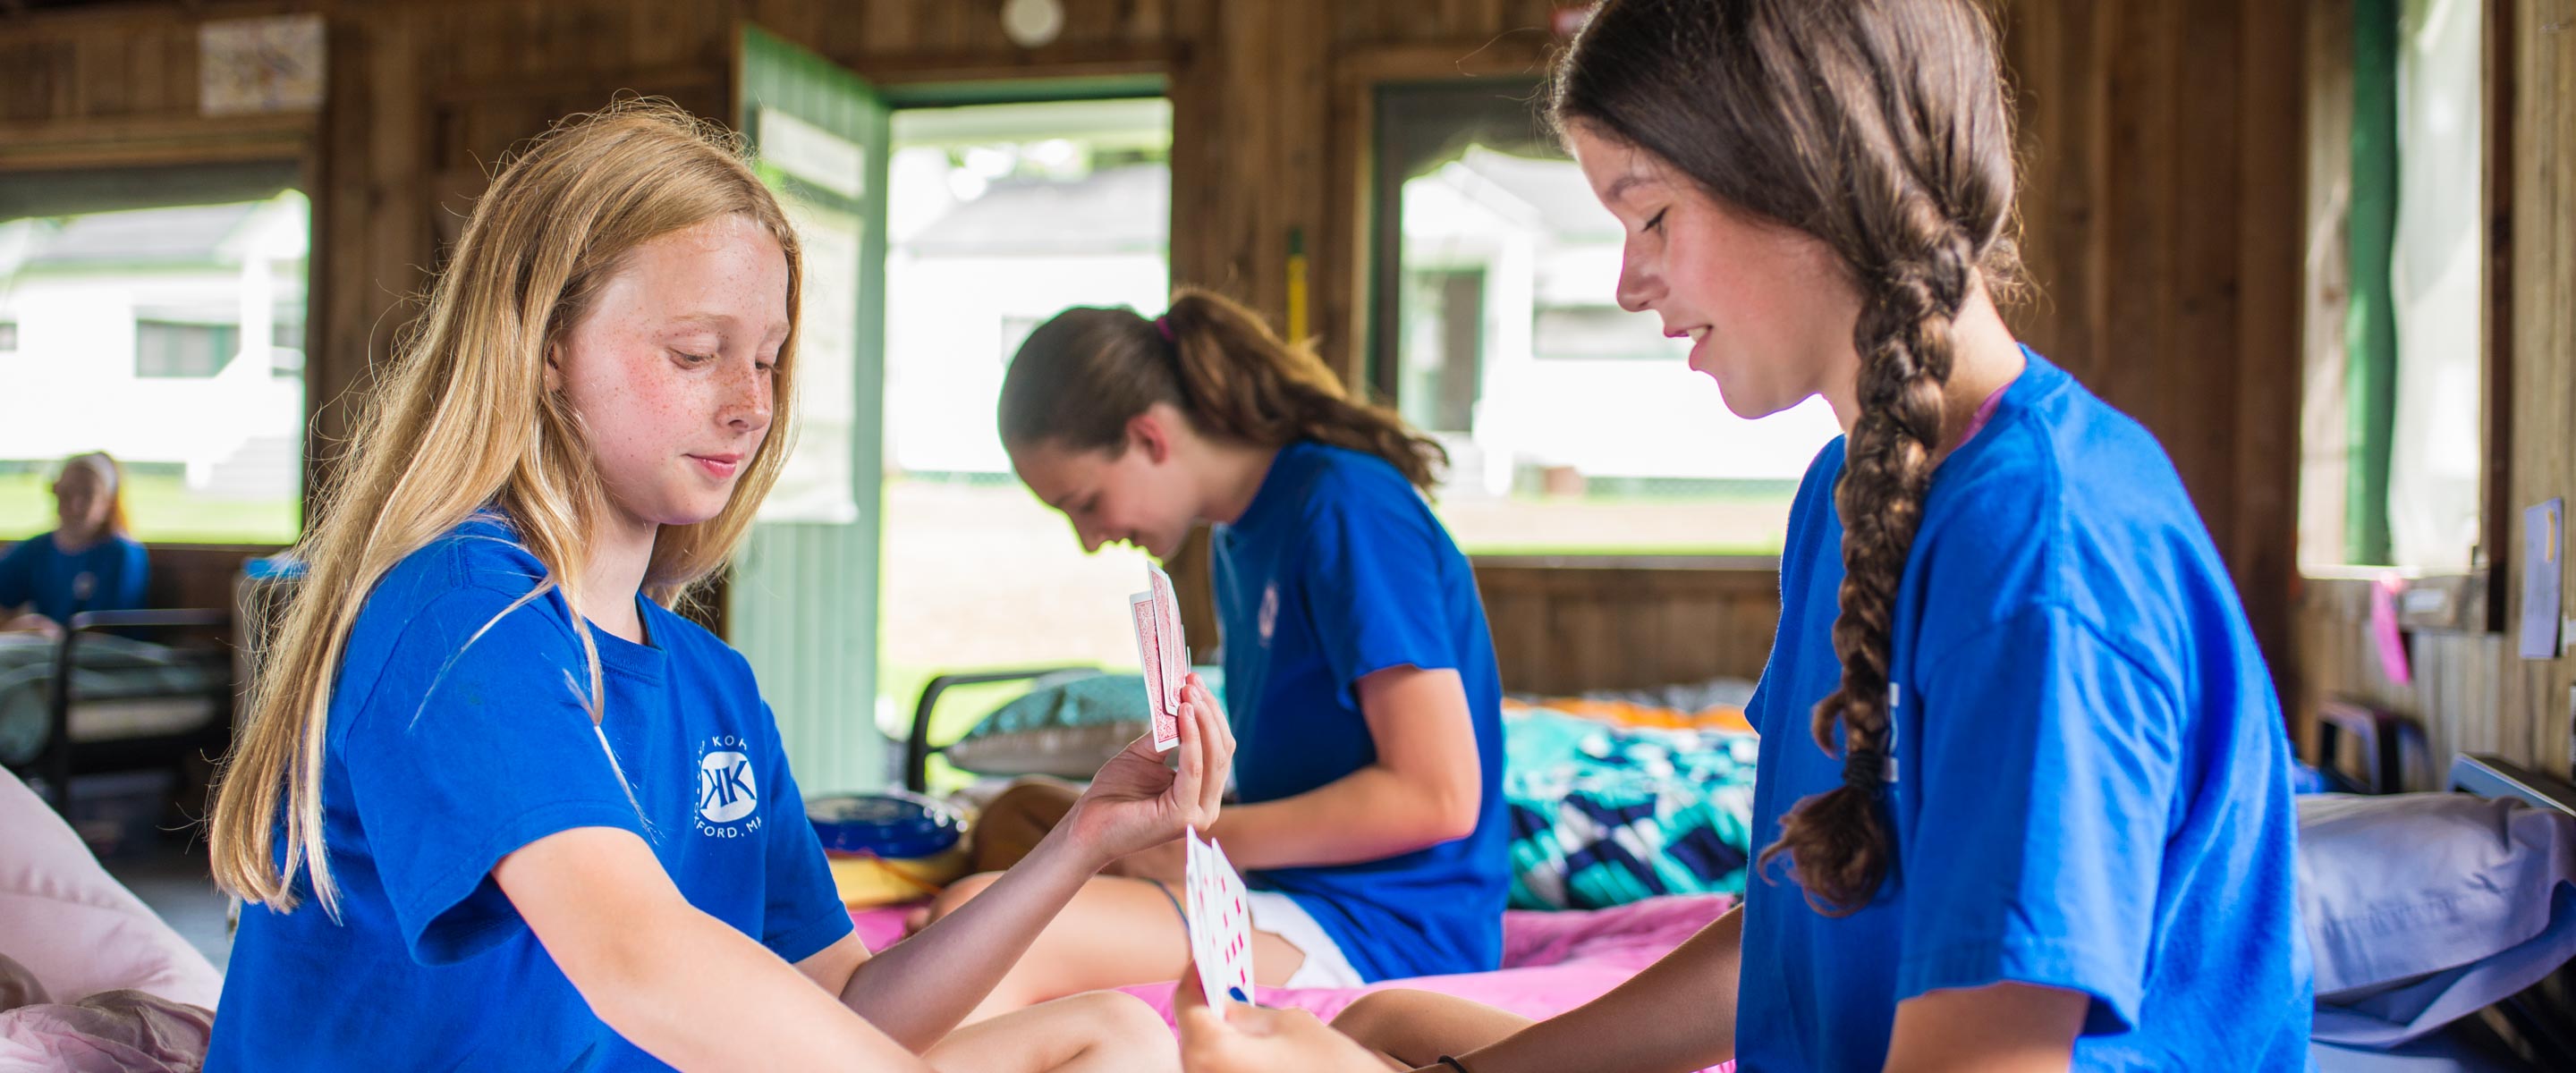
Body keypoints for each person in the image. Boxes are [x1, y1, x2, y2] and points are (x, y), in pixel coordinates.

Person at [1173, 0, 2313, 1069]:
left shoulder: (2039, 546)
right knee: (1383, 1021)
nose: (1630, 281)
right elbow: (1784, 931)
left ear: (1808, 172)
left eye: (1650, 213)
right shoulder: (1848, 495)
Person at [202, 100, 1234, 1073]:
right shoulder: (459, 615)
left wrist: (1080, 840)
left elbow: (841, 1010)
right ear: (547, 346)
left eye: (771, 361)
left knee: (1110, 1034)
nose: (749, 405)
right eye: (697, 354)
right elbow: (642, 963)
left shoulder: (711, 683)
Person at [914, 286, 1510, 1021]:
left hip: (1382, 927)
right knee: (1022, 818)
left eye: (1086, 502)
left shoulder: (1345, 507)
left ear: (1149, 437)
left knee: (977, 918)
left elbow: (1440, 797)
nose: (1091, 539)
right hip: (1284, 886)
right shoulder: (1238, 538)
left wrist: (1201, 838)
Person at [0, 452, 147, 637]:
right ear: (54, 490)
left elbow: (107, 632)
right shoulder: (35, 549)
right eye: (68, 492)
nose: (76, 505)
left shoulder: (122, 554)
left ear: (107, 503)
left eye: (88, 495)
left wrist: (50, 634)